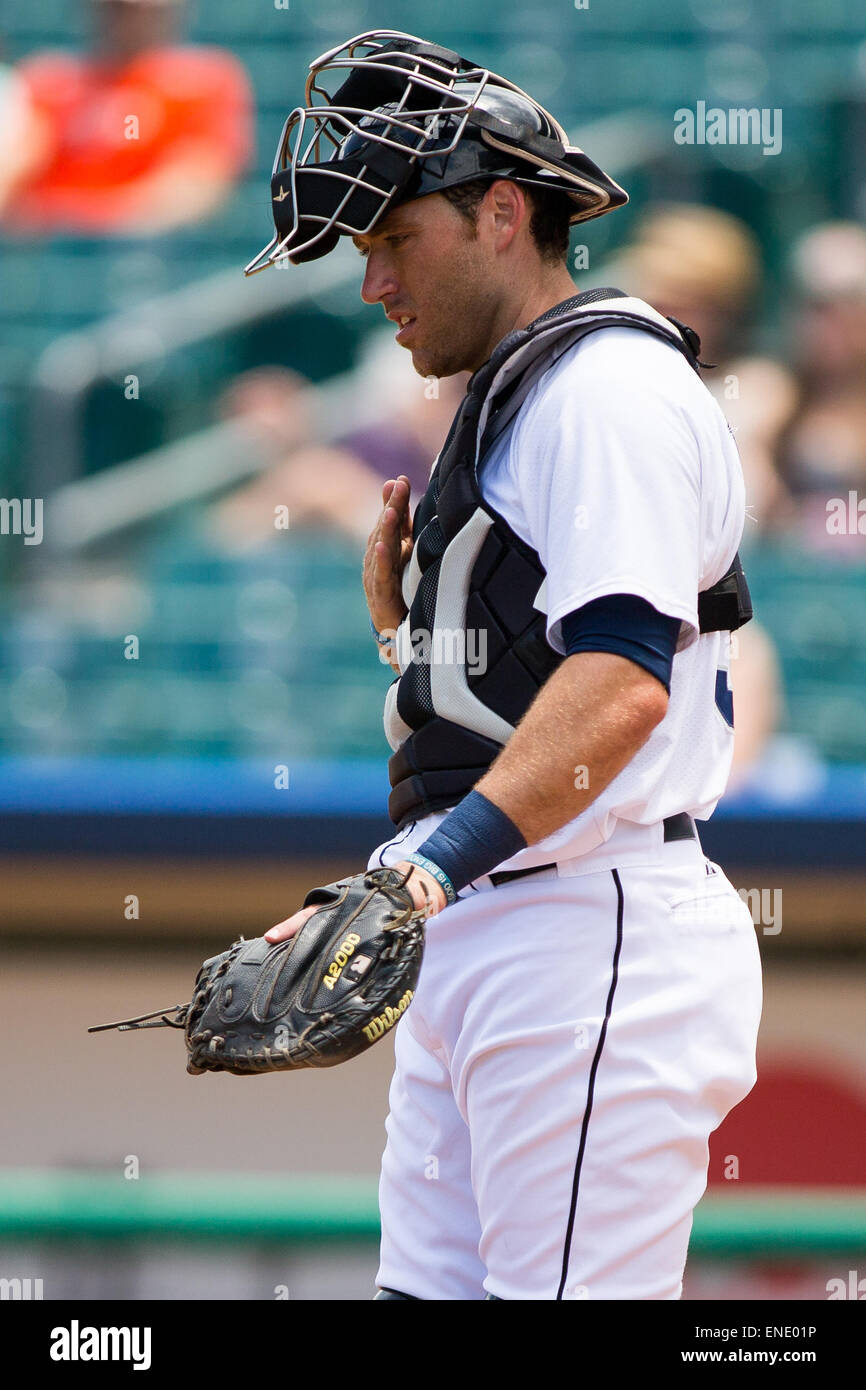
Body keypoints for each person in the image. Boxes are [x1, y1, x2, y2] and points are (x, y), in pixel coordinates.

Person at [258, 30, 762, 1301]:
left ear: (499, 211)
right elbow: (536, 685)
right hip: (507, 922)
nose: (371, 281)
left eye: (389, 238)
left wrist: (417, 876)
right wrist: (412, 637)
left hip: (588, 923)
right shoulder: (526, 391)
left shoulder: (605, 386)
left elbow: (623, 680)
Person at [1, 0, 252, 236]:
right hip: (54, 258)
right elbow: (13, 180)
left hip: (150, 256)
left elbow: (196, 187)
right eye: (118, 7)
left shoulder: (202, 81)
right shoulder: (48, 81)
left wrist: (91, 221)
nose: (129, 19)